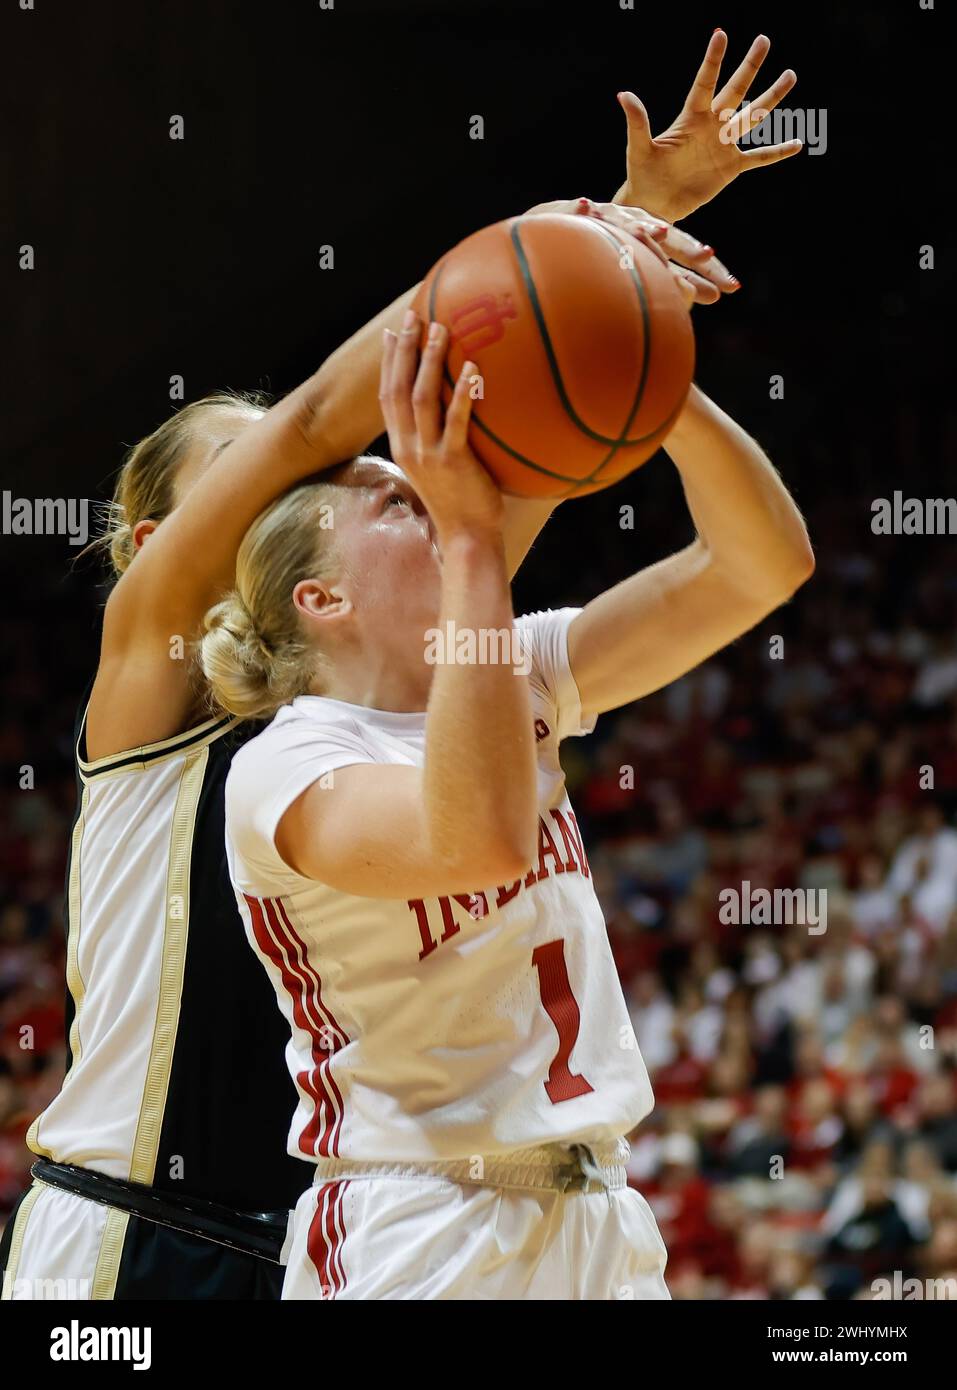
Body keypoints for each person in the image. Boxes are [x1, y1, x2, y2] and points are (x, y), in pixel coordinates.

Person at [1, 27, 800, 1300]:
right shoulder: (150, 669)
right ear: (165, 541)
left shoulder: (396, 670)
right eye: (255, 477)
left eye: (311, 483)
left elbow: (521, 472)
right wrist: (582, 222)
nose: (311, 480)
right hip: (126, 1230)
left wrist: (627, 251)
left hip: (328, 1229)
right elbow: (331, 411)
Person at [203, 245, 814, 1295]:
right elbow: (476, 836)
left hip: (600, 1211)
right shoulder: (286, 766)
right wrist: (478, 543)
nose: (434, 501)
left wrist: (647, 376)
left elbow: (763, 563)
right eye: (397, 506)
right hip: (422, 1222)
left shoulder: (509, 671)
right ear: (322, 600)